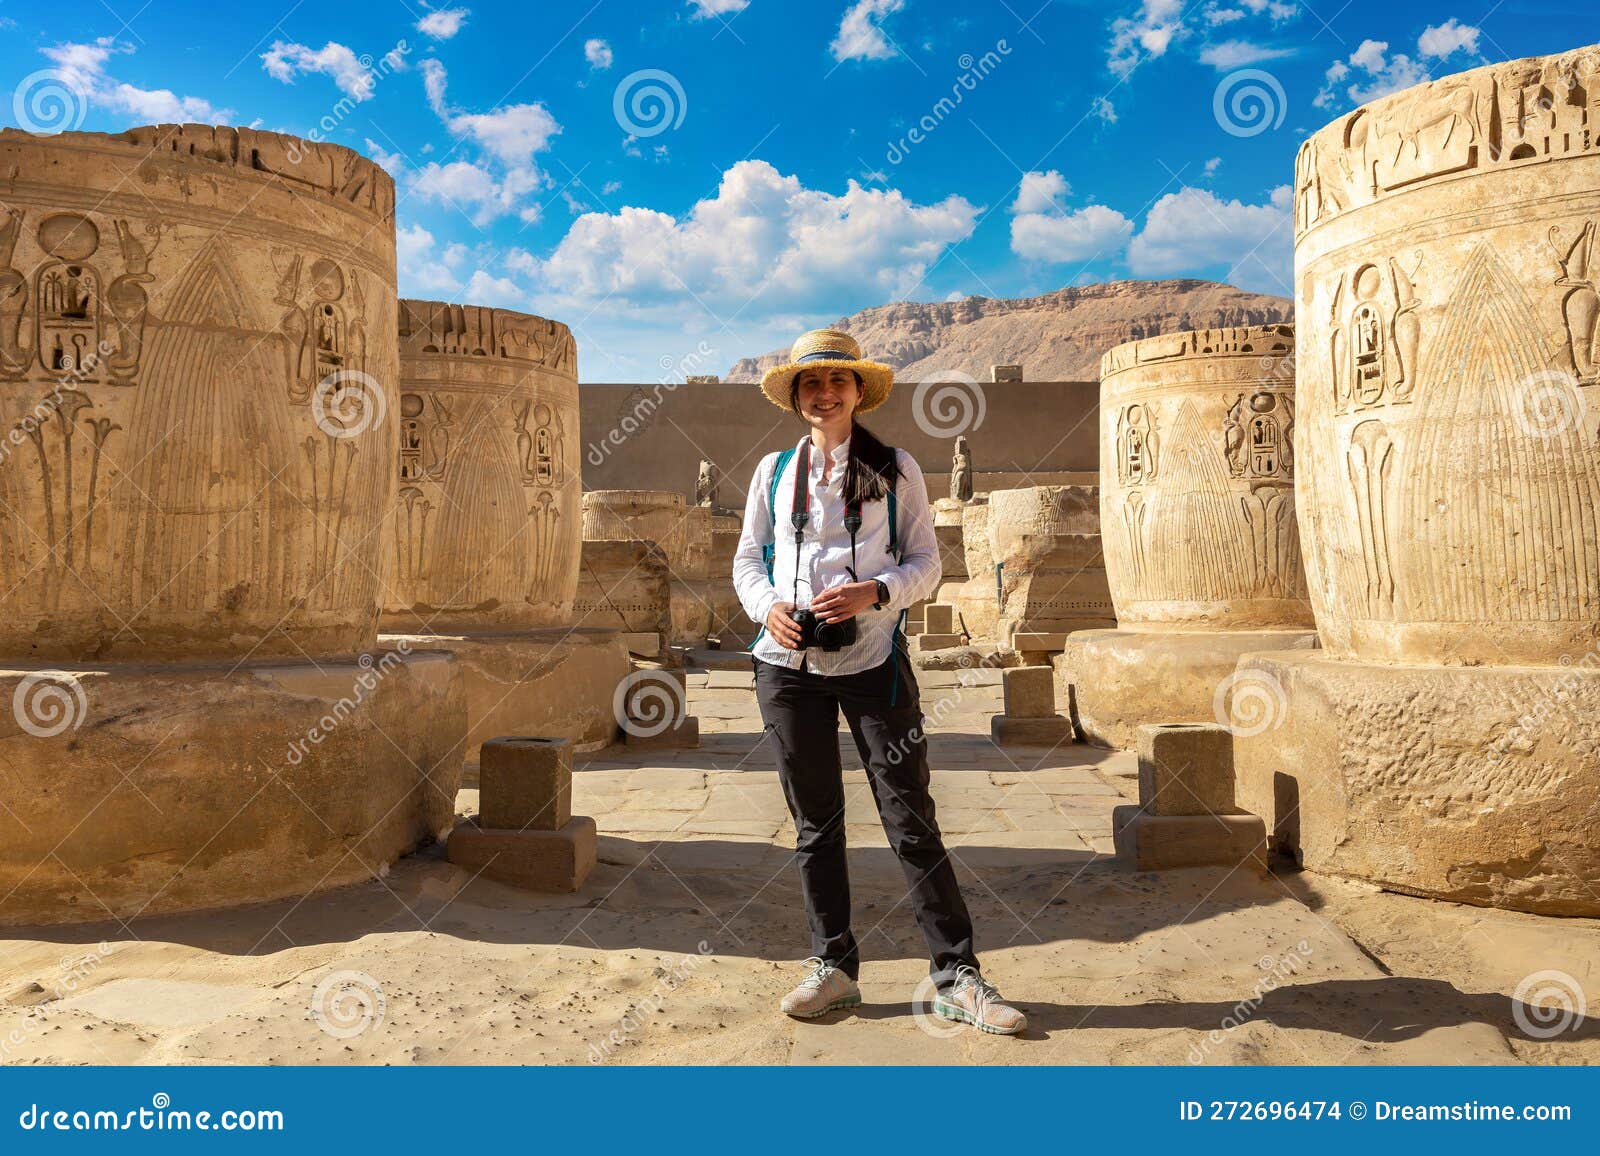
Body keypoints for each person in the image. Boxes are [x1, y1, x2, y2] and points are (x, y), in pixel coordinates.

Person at [732, 328, 1026, 1036]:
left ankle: (957, 975)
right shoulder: (773, 471)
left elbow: (928, 562)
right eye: (810, 384)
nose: (824, 394)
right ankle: (833, 968)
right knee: (815, 827)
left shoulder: (896, 469)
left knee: (910, 821)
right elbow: (748, 561)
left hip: (873, 667)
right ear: (796, 397)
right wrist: (767, 609)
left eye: (837, 382)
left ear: (859, 392)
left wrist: (876, 593)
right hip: (788, 669)